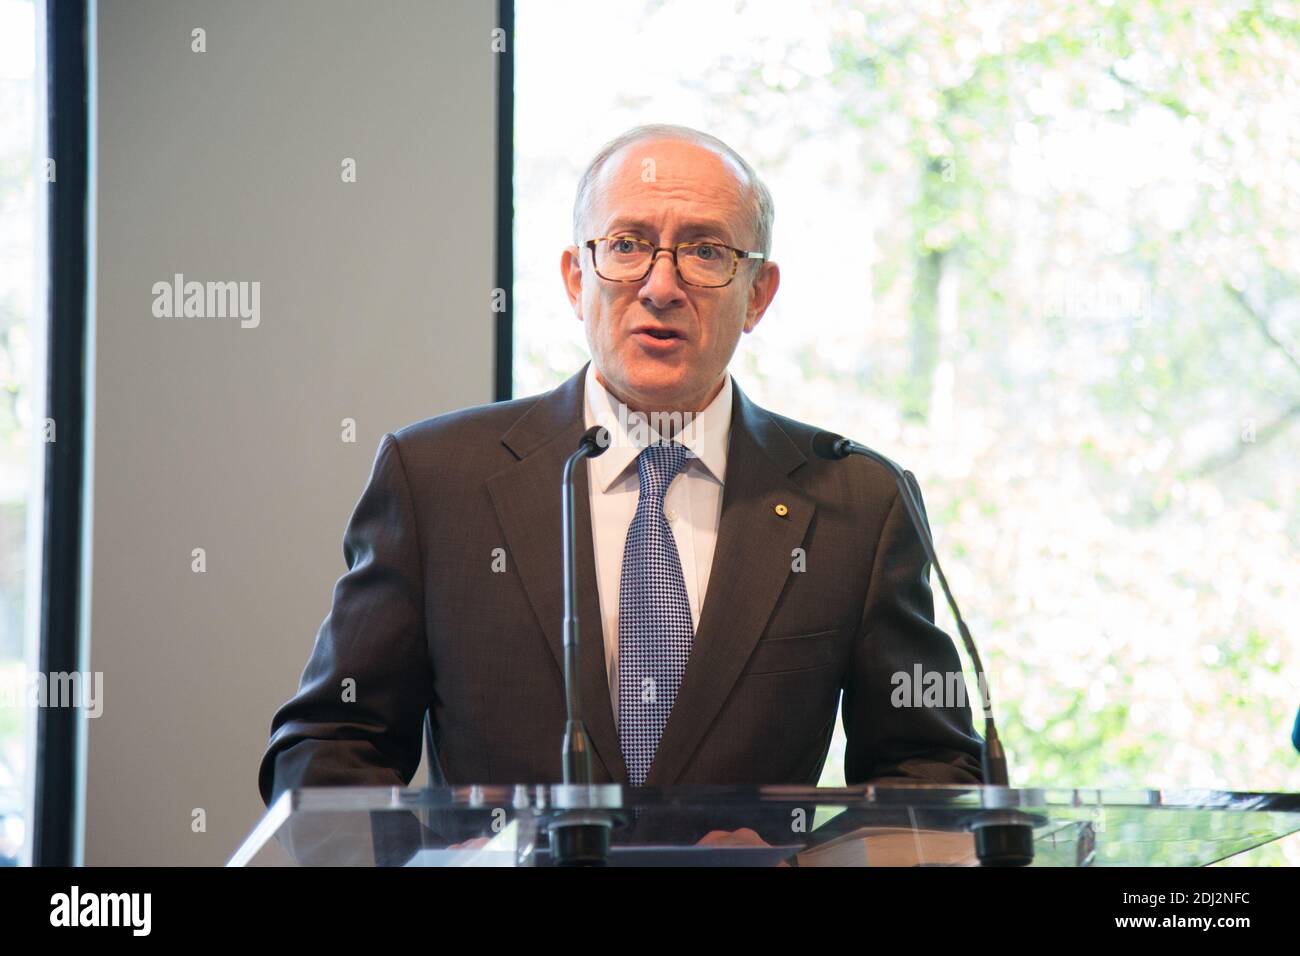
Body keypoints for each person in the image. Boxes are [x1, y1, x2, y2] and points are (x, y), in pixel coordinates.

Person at [258, 124, 983, 808]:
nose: (661, 286)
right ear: (578, 279)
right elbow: (330, 744)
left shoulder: (858, 500)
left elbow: (929, 768)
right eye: (629, 244)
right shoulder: (436, 479)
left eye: (705, 252)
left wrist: (800, 863)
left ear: (757, 294)